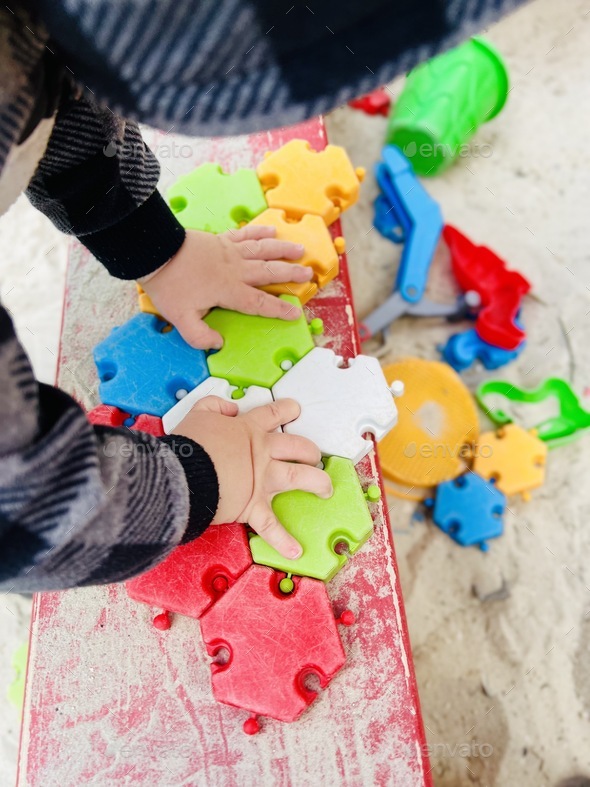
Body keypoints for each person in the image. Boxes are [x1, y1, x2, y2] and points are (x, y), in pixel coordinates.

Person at [0, 0, 522, 592]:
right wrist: (196, 481)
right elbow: (18, 513)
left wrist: (147, 241)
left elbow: (51, 80)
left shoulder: (23, 50)